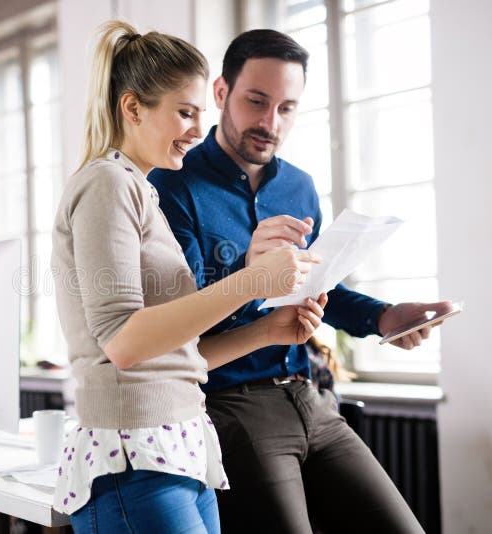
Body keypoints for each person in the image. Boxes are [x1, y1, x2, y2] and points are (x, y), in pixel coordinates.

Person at [149, 29, 452, 533]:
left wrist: (382, 317)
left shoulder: (299, 186)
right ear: (221, 93)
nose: (270, 123)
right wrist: (249, 274)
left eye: (287, 108)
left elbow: (313, 286)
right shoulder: (172, 185)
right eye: (257, 101)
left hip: (311, 396)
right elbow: (180, 324)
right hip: (231, 403)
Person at [51, 22, 327, 534]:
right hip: (132, 455)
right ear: (133, 108)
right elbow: (125, 343)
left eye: (202, 113)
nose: (199, 130)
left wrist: (268, 331)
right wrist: (251, 281)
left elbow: (173, 357)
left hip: (181, 446)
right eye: (184, 112)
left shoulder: (143, 191)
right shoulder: (106, 184)